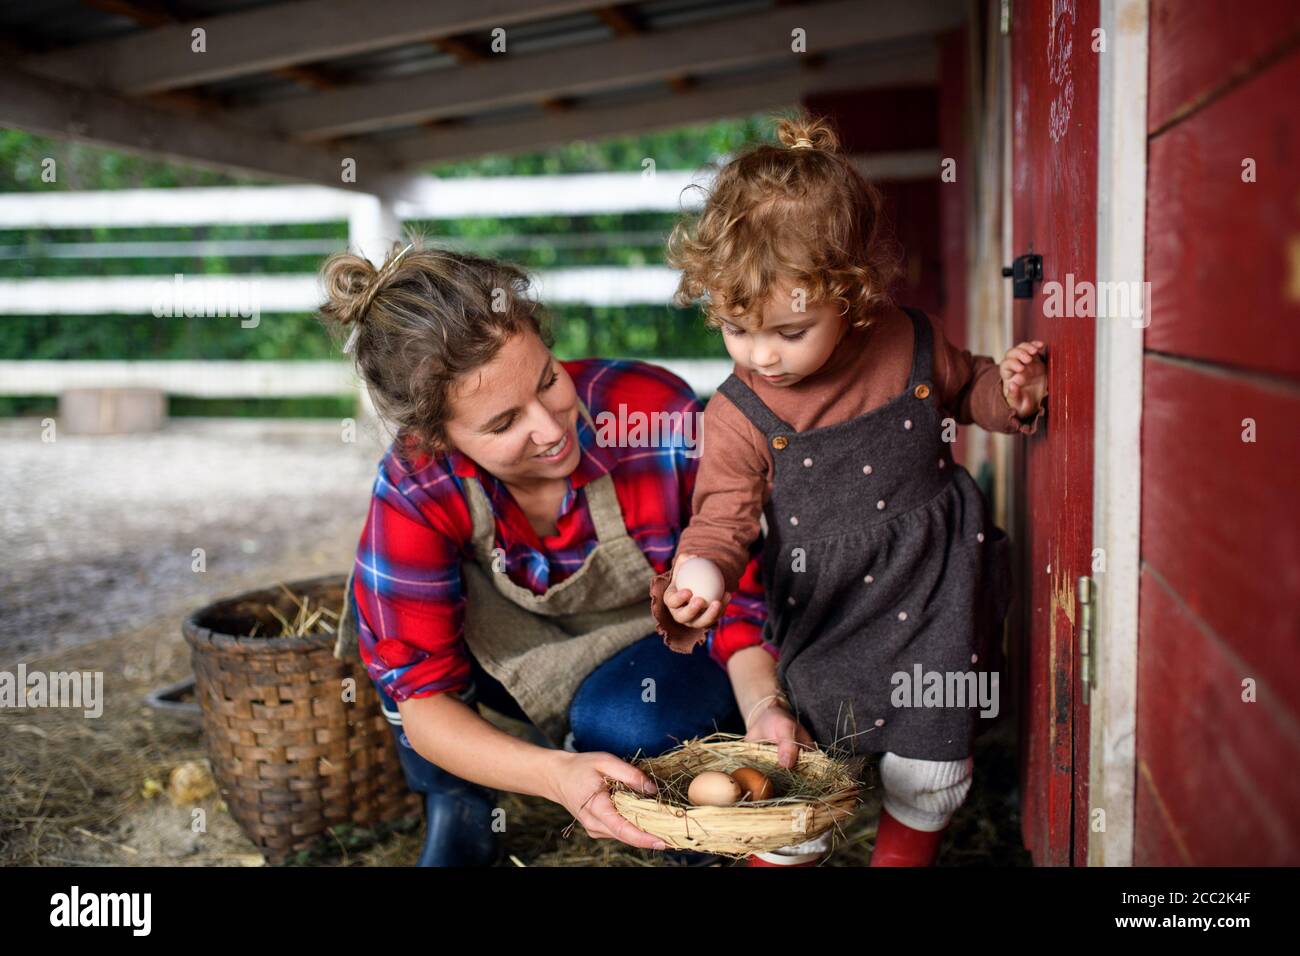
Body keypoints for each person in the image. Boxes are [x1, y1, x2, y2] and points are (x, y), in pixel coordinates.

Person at [648, 113, 1049, 866]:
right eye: (737, 328)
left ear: (851, 293)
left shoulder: (911, 340)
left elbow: (974, 393)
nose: (761, 354)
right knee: (801, 773)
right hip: (827, 609)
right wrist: (700, 573)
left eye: (788, 332)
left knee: (930, 766)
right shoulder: (739, 413)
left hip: (937, 589)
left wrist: (1015, 396)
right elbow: (721, 519)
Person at [317, 240, 784, 866]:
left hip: (660, 642)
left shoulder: (649, 411)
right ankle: (458, 803)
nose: (550, 427)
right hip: (518, 651)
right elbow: (422, 697)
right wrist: (554, 776)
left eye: (548, 380)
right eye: (504, 423)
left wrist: (764, 705)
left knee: (629, 725)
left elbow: (744, 584)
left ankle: (671, 806)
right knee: (377, 590)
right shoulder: (416, 481)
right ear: (435, 437)